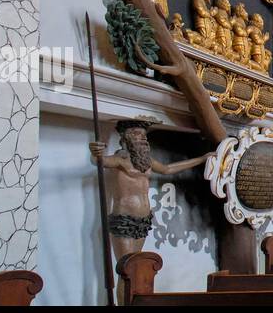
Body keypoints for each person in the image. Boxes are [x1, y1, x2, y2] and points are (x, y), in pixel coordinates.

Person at [89, 120, 209, 284]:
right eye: (138, 134)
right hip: (124, 221)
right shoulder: (120, 159)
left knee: (136, 270)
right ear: (125, 138)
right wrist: (95, 151)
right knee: (126, 273)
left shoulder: (146, 162)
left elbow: (168, 169)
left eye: (144, 135)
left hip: (143, 221)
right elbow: (98, 161)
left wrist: (201, 159)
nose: (143, 138)